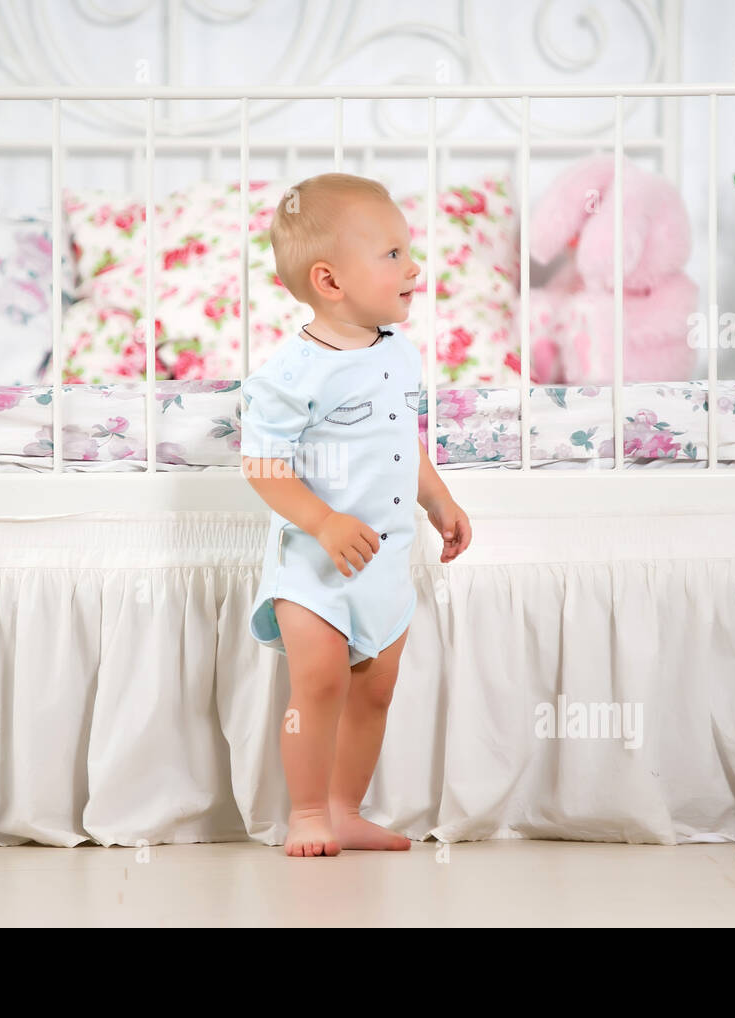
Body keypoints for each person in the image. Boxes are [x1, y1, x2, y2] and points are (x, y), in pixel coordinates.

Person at [239, 172, 472, 857]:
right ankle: (307, 812)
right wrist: (323, 522)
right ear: (330, 281)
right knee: (320, 679)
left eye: (409, 251)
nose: (414, 267)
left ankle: (344, 808)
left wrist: (439, 500)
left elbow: (404, 441)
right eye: (393, 255)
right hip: (314, 563)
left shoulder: (400, 354)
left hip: (384, 560)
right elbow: (261, 466)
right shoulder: (293, 371)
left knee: (374, 689)